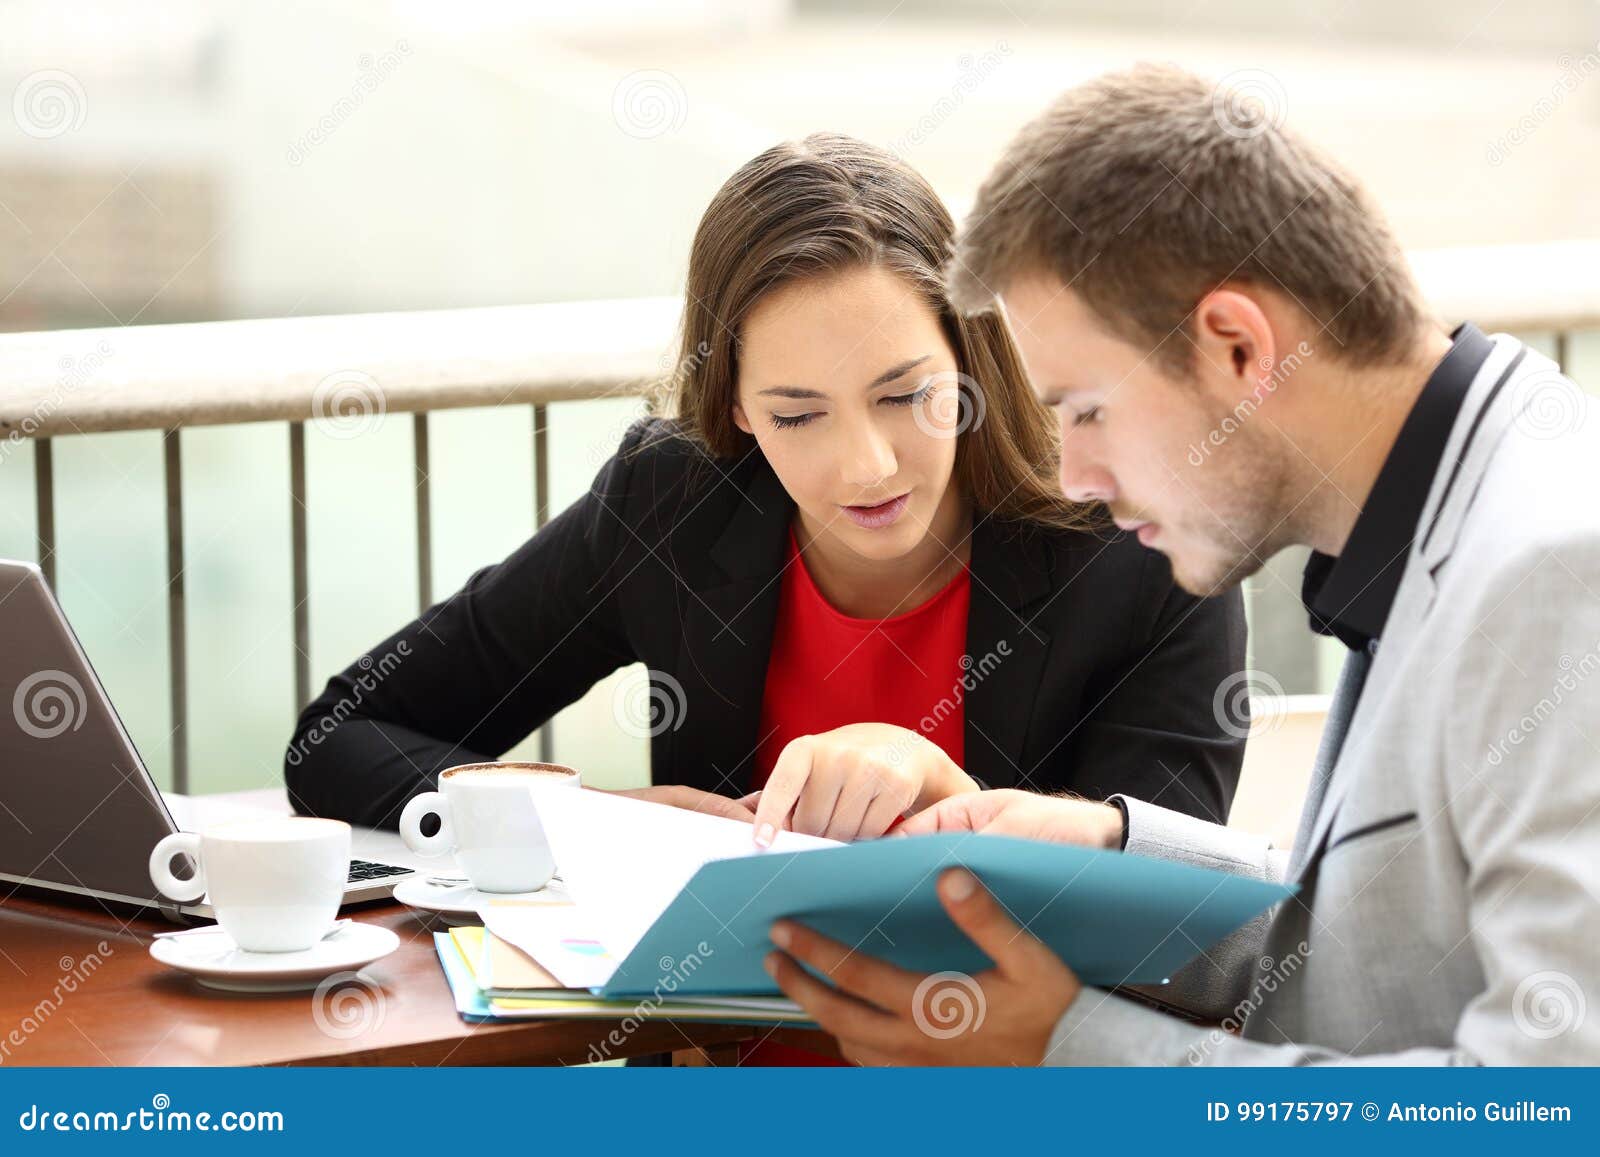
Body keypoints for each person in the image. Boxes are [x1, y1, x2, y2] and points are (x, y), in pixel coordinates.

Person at [765, 66, 1600, 1066]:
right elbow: (1396, 935)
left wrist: (1063, 1052)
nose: (1073, 474)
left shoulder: (1553, 573)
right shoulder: (1473, 490)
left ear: (1238, 349)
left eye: (1083, 408)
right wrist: (1107, 861)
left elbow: (1547, 1106)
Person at [283, 132, 1246, 846]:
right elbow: (338, 735)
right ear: (735, 407)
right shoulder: (671, 506)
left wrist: (951, 792)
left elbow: (1181, 907)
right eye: (797, 414)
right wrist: (576, 816)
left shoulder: (1140, 543)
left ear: (970, 358)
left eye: (908, 394)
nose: (866, 464)